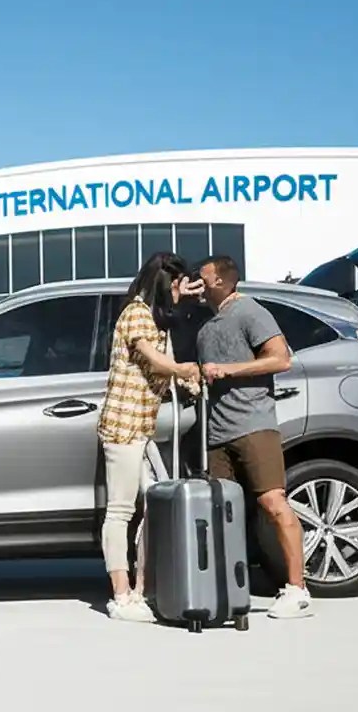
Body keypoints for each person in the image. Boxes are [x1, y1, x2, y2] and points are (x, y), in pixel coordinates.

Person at [194, 254, 313, 619]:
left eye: (202, 278)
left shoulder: (250, 311)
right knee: (221, 513)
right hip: (216, 432)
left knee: (273, 503)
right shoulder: (206, 326)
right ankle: (225, 590)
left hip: (253, 424)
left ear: (220, 281)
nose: (197, 284)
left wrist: (228, 370)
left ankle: (298, 590)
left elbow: (281, 359)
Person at [95, 252, 204, 622]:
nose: (180, 291)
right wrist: (183, 368)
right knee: (121, 510)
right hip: (124, 425)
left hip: (143, 426)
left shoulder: (159, 320)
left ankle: (143, 589)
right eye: (176, 285)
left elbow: (165, 368)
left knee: (155, 506)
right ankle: (121, 596)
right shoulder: (136, 313)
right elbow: (154, 360)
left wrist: (184, 377)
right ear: (163, 284)